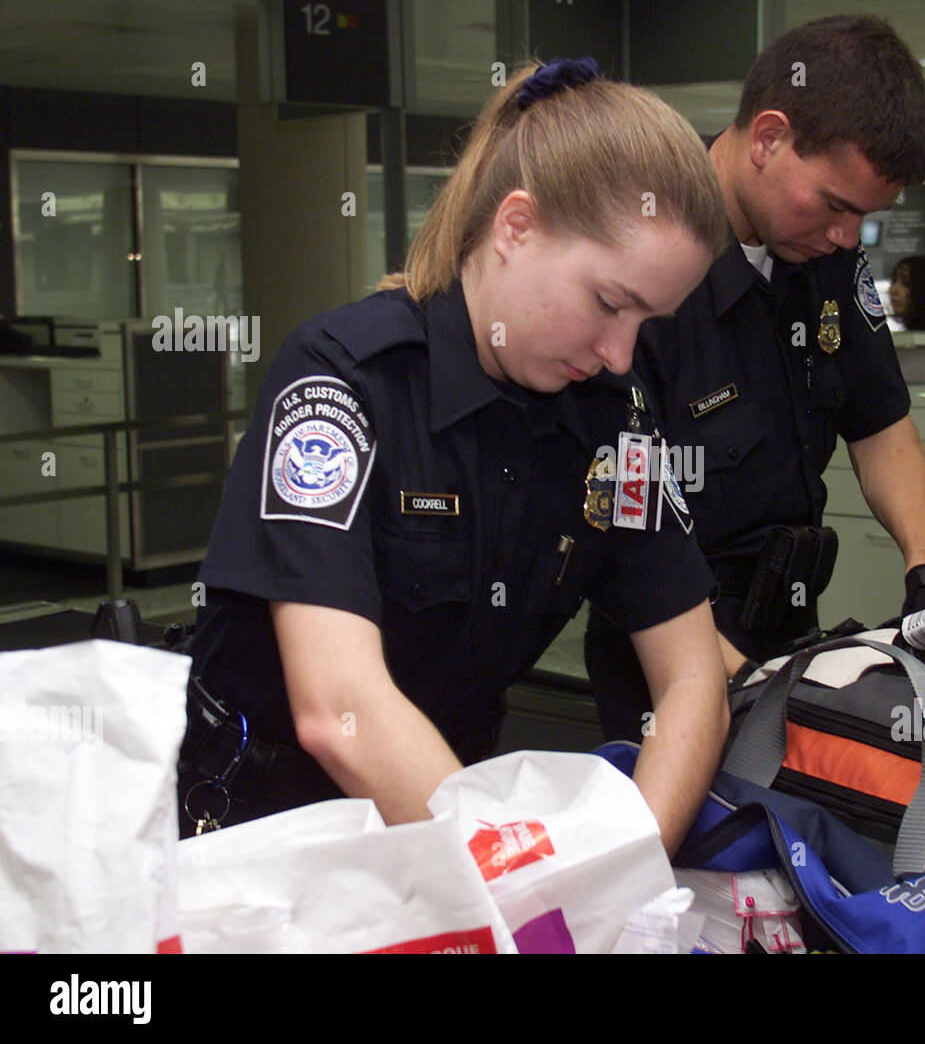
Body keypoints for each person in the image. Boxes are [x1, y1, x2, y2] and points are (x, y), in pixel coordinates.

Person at [178, 58, 732, 857]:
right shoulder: (341, 381)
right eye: (610, 303)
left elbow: (692, 682)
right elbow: (339, 707)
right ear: (515, 227)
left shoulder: (615, 421)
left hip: (454, 830)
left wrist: (629, 871)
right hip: (269, 840)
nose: (620, 353)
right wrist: (517, 874)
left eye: (649, 322)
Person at [584, 16, 925, 741]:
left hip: (789, 628)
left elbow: (881, 426)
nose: (848, 236)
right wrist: (747, 685)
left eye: (866, 216)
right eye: (836, 205)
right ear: (767, 138)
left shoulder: (825, 260)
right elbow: (625, 517)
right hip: (667, 648)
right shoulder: (648, 270)